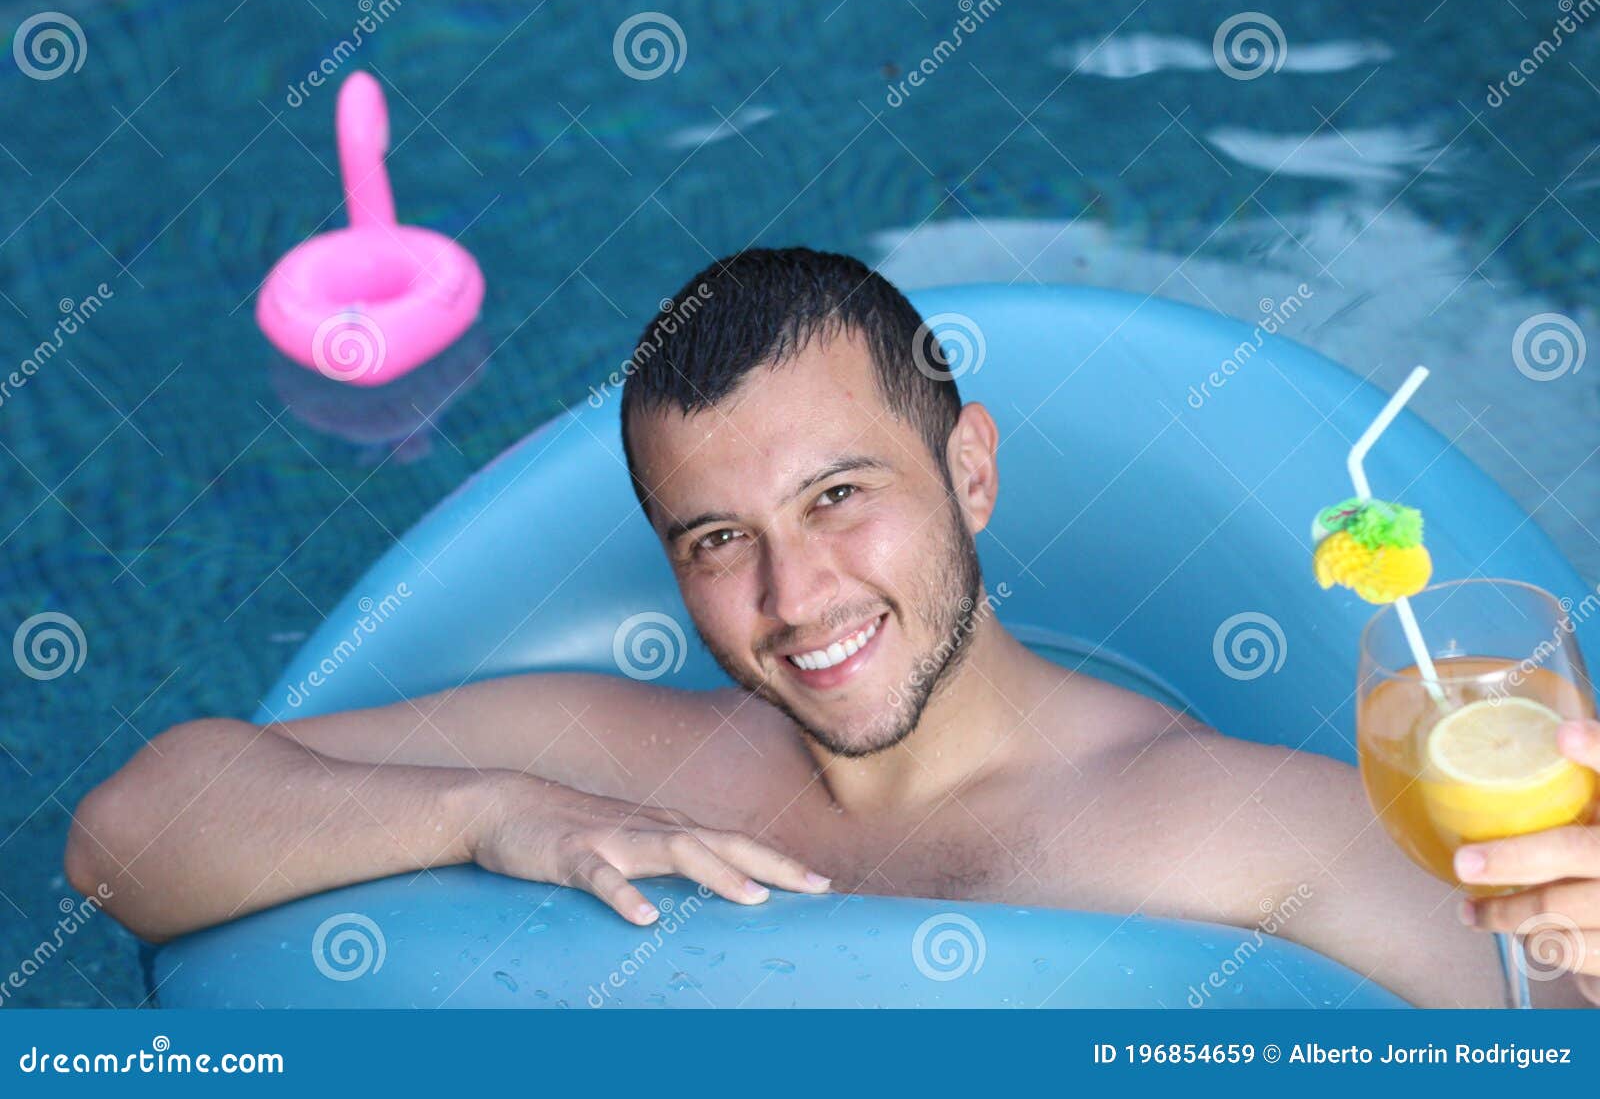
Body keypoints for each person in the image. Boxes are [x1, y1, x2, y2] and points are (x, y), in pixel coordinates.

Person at [67, 248, 1598, 1007]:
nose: (794, 597)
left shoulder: (1244, 828)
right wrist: (488, 813)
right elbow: (130, 837)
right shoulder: (611, 757)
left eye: (840, 496)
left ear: (971, 472)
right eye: (718, 539)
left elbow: (1547, 1018)